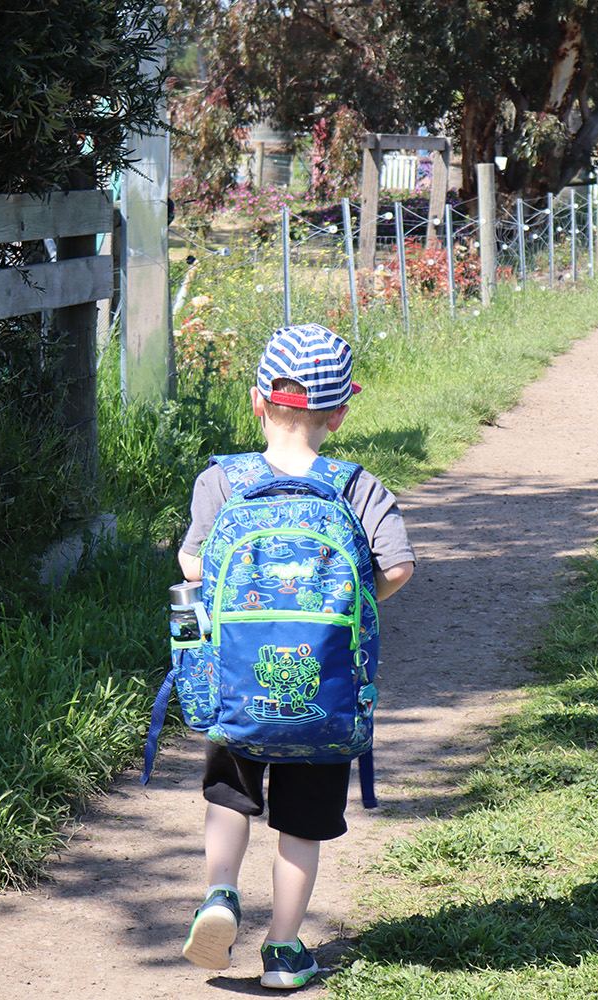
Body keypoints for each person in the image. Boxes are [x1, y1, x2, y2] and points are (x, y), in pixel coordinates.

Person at [176, 323, 415, 989]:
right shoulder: (356, 486)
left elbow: (193, 564)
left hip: (237, 687)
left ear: (258, 401)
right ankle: (283, 949)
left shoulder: (222, 480)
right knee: (302, 824)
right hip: (326, 692)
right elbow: (398, 567)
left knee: (229, 794)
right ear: (339, 414)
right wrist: (350, 607)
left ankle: (220, 892)